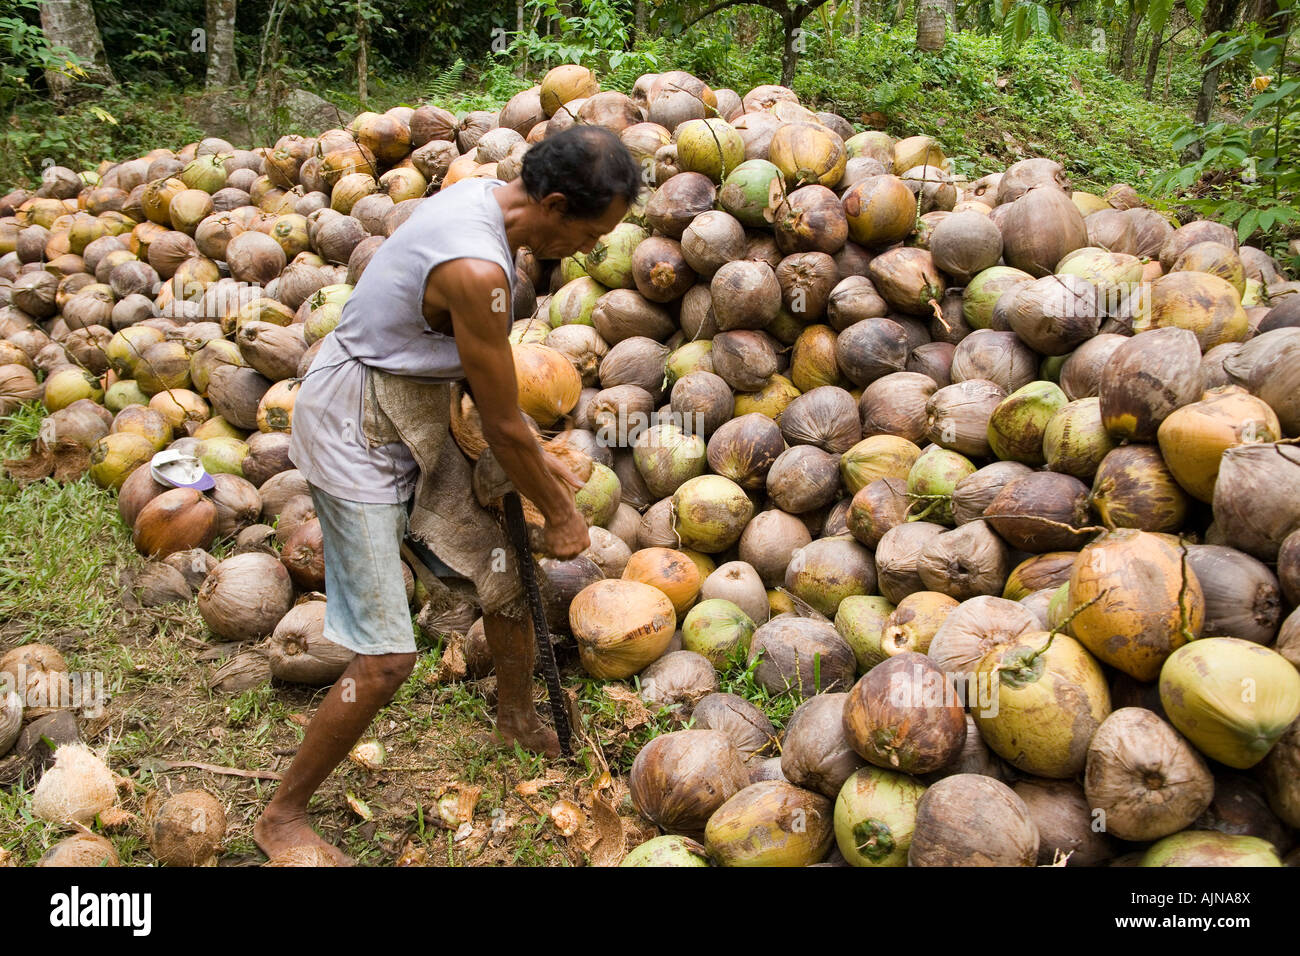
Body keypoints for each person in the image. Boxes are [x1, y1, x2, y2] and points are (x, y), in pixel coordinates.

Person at [254, 125, 641, 863]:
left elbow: (483, 390)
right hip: (353, 427)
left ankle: (517, 716)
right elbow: (501, 419)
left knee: (500, 568)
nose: (595, 248)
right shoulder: (478, 270)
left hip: (413, 409)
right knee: (387, 658)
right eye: (595, 233)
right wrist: (560, 515)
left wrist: (524, 463)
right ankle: (281, 816)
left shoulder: (481, 197)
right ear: (554, 205)